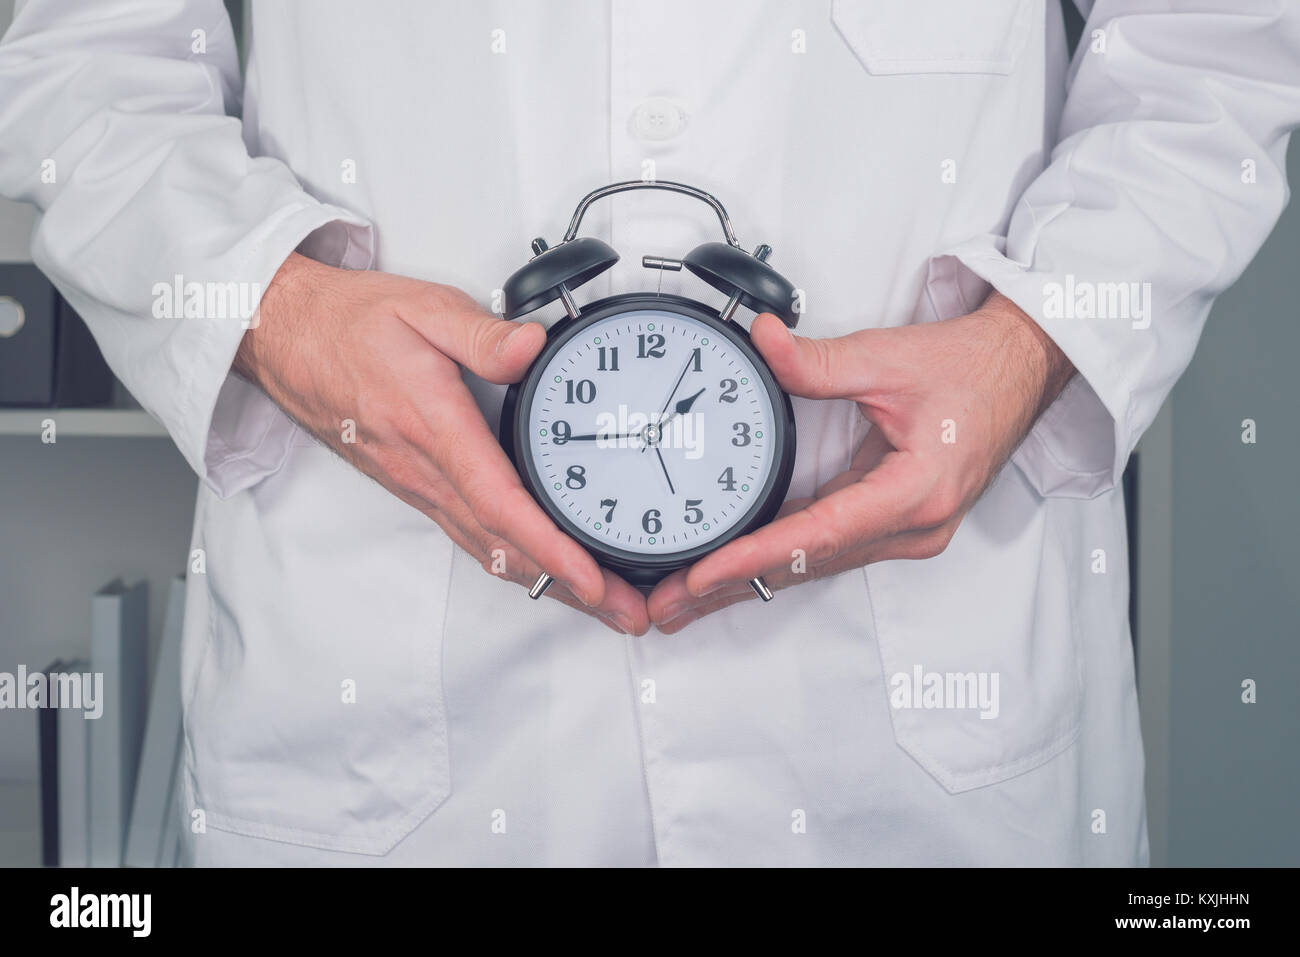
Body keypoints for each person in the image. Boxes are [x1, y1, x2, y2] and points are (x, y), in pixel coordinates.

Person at [1, 0, 1296, 866]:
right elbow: (85, 56)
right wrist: (277, 309)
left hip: (923, 731)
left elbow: (1211, 52)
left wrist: (1031, 339)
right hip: (384, 679)